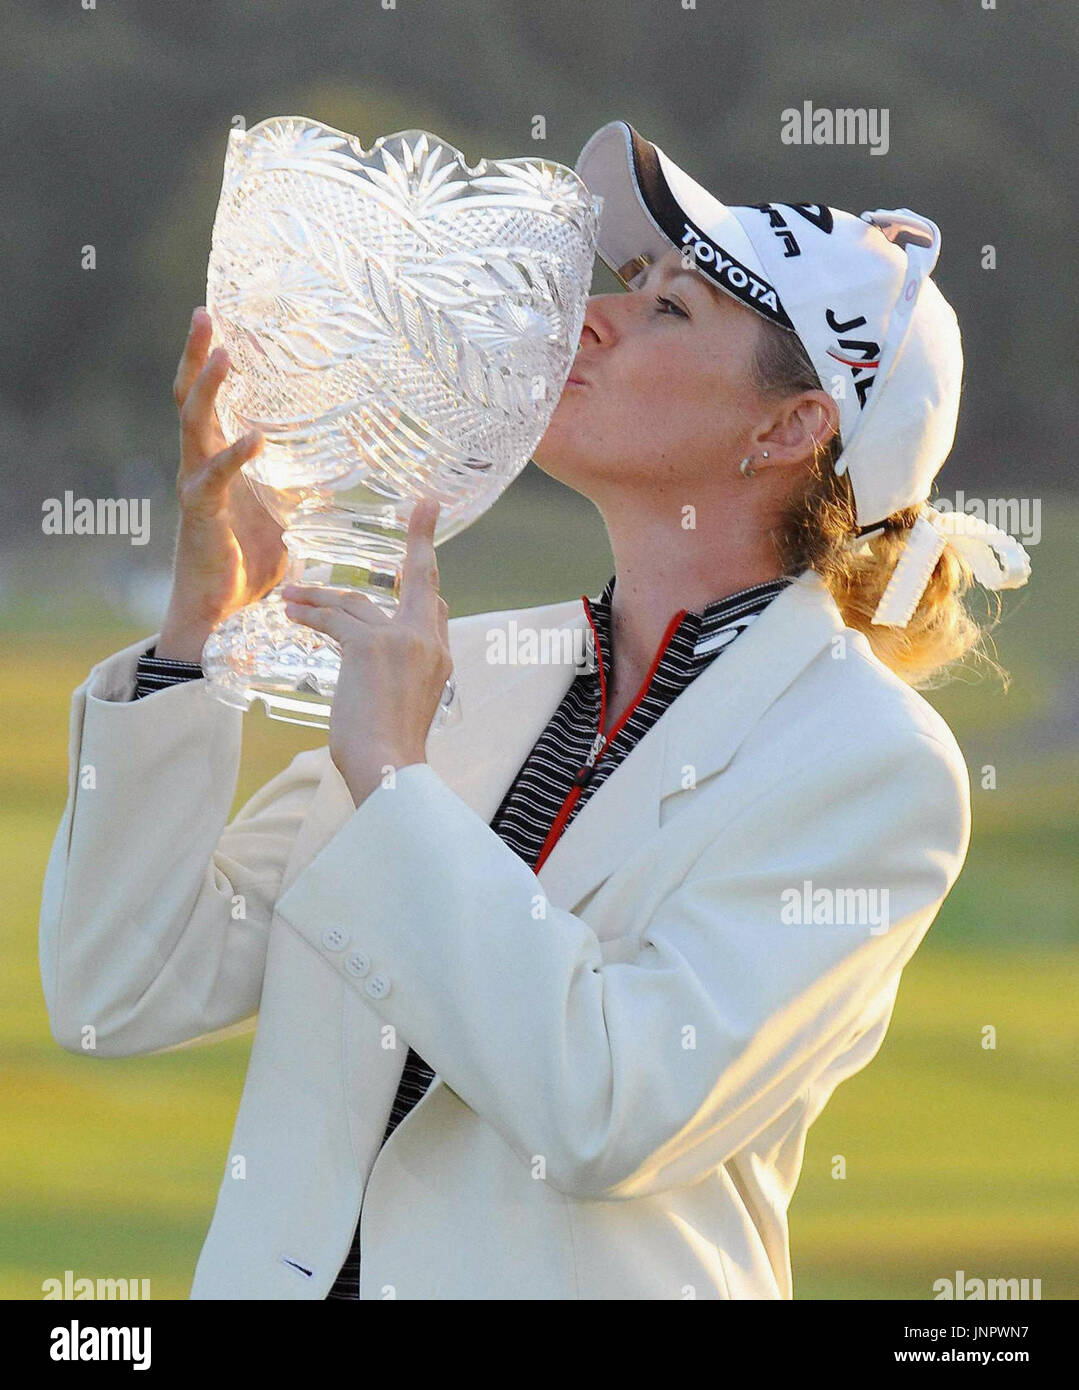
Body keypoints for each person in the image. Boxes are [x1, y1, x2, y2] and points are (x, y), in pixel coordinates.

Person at [38, 119, 1031, 1300]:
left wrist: (395, 779)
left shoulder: (873, 762)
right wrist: (193, 639)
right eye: (630, 281)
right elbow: (121, 990)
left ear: (788, 428)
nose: (590, 317)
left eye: (670, 308)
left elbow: (609, 1110)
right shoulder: (462, 669)